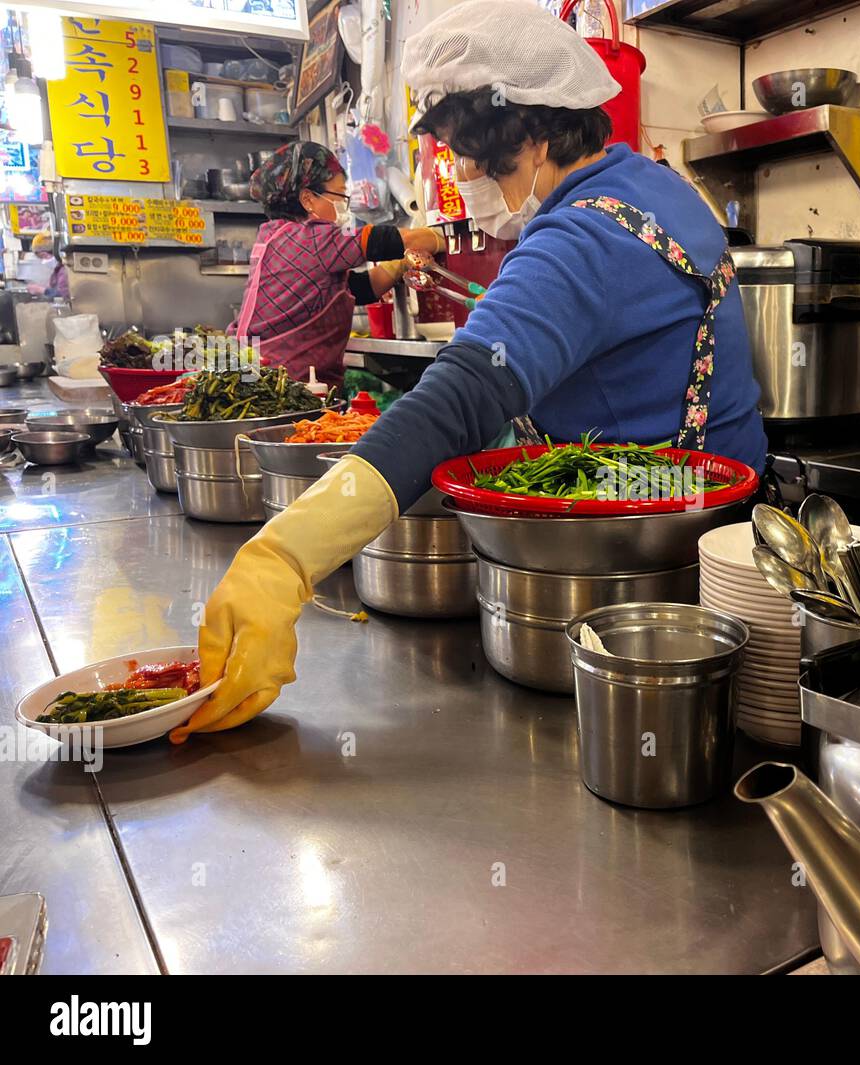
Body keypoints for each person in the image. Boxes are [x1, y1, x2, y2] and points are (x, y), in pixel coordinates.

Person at [171, 0, 767, 742]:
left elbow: (459, 398)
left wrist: (287, 554)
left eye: (479, 155)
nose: (467, 174)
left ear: (539, 133)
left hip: (649, 588)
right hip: (715, 538)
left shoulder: (581, 236)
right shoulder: (657, 189)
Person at [234, 140, 444, 385]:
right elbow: (390, 240)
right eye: (340, 195)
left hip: (252, 376)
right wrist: (442, 236)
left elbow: (358, 289)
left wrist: (399, 264)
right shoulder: (313, 237)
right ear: (308, 199)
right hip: (285, 386)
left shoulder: (273, 236)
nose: (344, 206)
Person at [27, 233, 68, 298]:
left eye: (44, 256)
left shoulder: (64, 270)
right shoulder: (58, 269)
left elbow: (64, 294)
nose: (44, 261)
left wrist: (41, 290)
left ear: (56, 252)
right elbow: (53, 285)